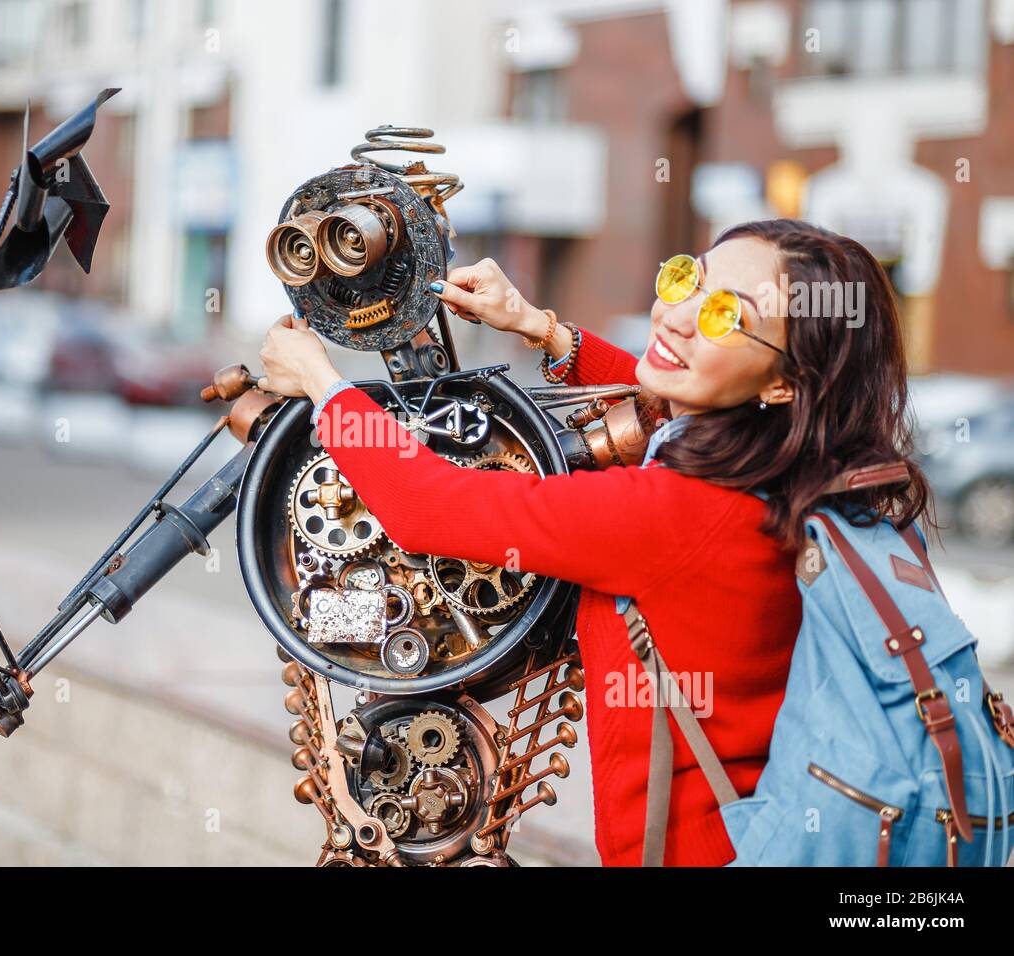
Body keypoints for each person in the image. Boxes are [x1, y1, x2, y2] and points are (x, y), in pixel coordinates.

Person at [256, 218, 931, 866]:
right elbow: (664, 406)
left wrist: (323, 384)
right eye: (687, 281)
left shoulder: (681, 515)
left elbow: (433, 510)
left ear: (785, 382)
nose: (676, 317)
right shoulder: (806, 473)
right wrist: (536, 326)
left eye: (727, 316)